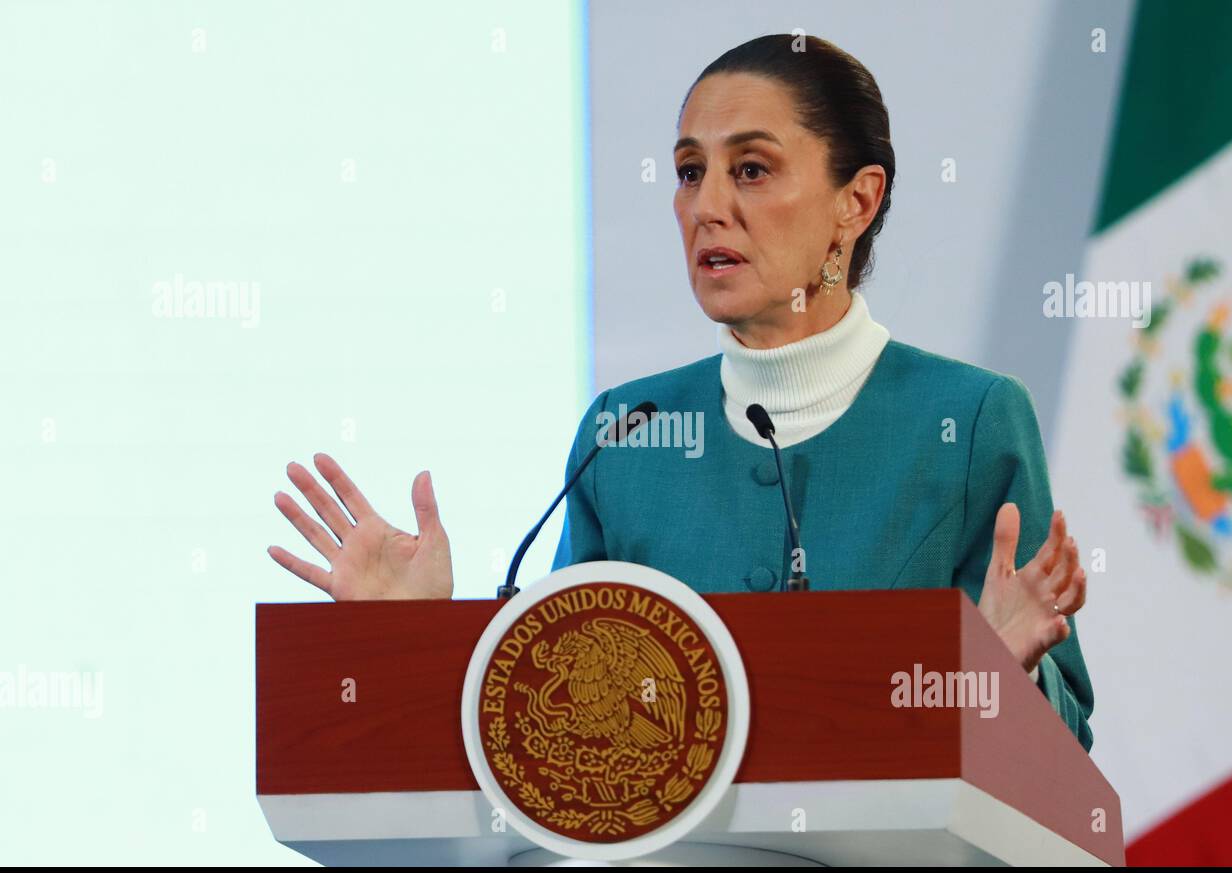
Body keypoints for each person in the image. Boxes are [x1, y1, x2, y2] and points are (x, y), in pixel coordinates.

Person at [267, 34, 1094, 751]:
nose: (708, 207)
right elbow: (553, 725)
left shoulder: (968, 419)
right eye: (690, 172)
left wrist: (998, 673)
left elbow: (1064, 748)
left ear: (857, 200)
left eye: (753, 169)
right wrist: (420, 645)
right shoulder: (623, 435)